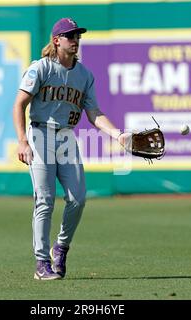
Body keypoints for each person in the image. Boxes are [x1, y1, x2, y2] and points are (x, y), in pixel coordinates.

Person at [13, 17, 130, 280]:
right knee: (44, 200)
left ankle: (61, 247)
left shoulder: (85, 75)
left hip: (66, 137)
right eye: (70, 35)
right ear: (56, 40)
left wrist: (117, 134)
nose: (75, 40)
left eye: (77, 35)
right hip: (40, 133)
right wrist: (22, 141)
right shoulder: (41, 68)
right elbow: (19, 104)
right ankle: (41, 264)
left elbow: (94, 112)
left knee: (78, 199)